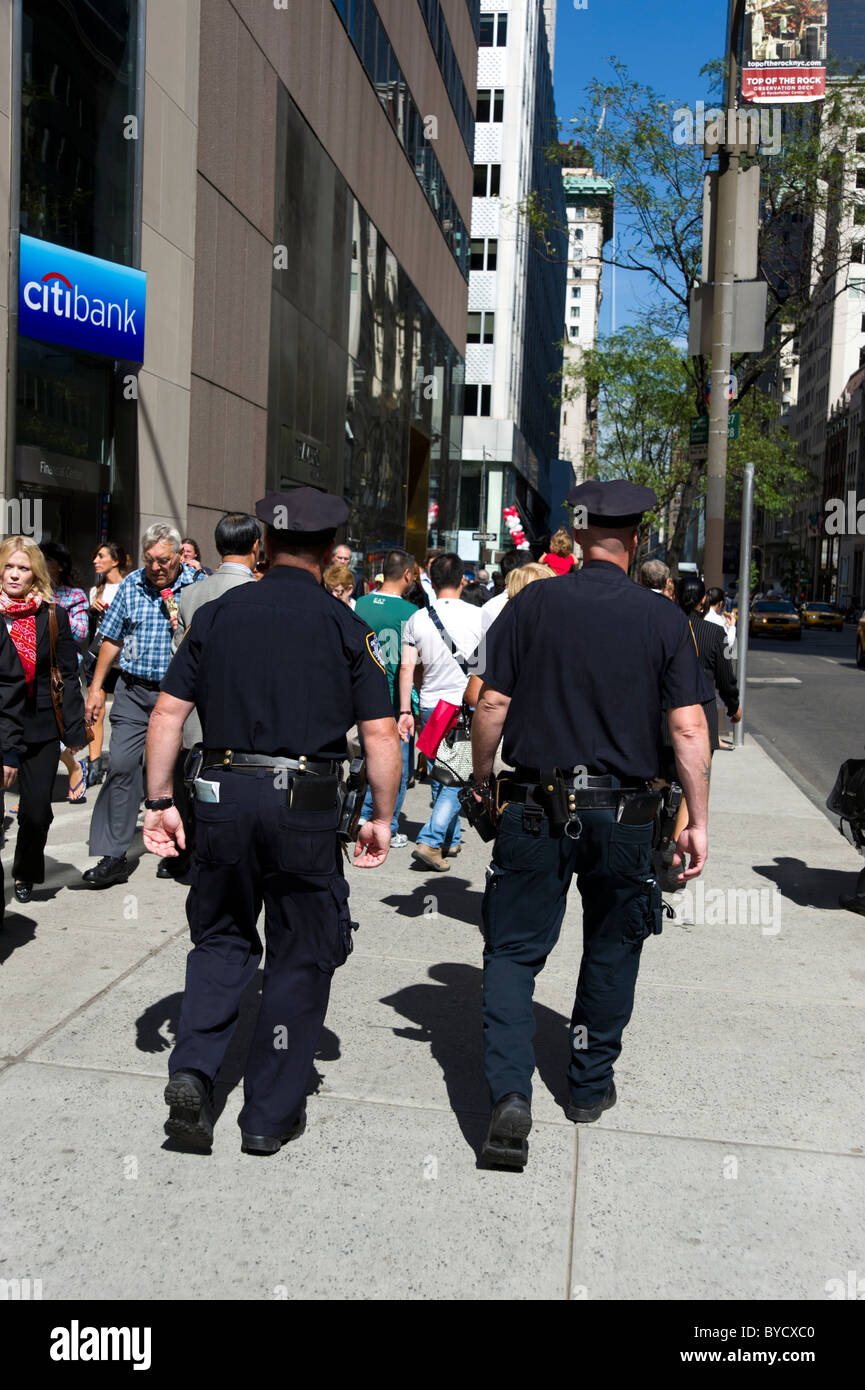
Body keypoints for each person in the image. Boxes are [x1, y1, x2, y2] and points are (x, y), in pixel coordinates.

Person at [143, 487, 400, 1154]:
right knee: (299, 954)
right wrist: (381, 814)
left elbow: (167, 714)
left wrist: (159, 803)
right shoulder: (345, 627)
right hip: (304, 807)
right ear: (329, 551)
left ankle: (195, 1073)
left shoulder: (222, 614)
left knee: (222, 939)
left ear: (262, 544)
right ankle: (266, 1116)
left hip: (222, 795)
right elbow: (379, 733)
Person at [469, 480, 712, 1168]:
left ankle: (510, 1096)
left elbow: (490, 706)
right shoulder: (664, 619)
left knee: (513, 953)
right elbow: (689, 727)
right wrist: (697, 818)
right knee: (611, 947)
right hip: (627, 813)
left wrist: (483, 780)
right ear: (634, 541)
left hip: (534, 806)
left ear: (574, 538)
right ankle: (586, 1085)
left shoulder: (532, 603)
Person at [81, 524, 205, 887]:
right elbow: (112, 638)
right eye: (150, 559)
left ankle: (177, 849)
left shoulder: (196, 586)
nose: (156, 567)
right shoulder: (132, 585)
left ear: (179, 554)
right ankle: (113, 855)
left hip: (179, 697)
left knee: (176, 774)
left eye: (163, 560)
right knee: (120, 766)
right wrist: (96, 688)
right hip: (134, 693)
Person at [163, 512, 262, 881]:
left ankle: (195, 859)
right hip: (242, 720)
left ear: (218, 546)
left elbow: (180, 658)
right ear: (256, 546)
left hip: (196, 718)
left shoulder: (191, 593)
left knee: (197, 792)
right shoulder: (259, 592)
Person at [0, 536, 87, 903]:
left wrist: (74, 727)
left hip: (41, 724)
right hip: (2, 723)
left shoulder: (52, 614)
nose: (15, 574)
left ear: (36, 574)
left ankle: (25, 871)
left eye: (23, 568)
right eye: (8, 566)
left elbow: (67, 673)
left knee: (36, 813)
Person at [397, 552, 484, 871]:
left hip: (429, 704)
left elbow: (407, 668)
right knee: (458, 775)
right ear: (463, 579)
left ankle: (451, 837)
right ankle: (432, 841)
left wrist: (406, 708)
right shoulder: (479, 617)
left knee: (440, 771)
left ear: (431, 581)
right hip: (462, 706)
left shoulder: (417, 618)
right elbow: (483, 668)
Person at [355, 549, 417, 847]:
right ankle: (387, 823)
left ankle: (361, 816)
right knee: (397, 765)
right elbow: (410, 663)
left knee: (365, 760)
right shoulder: (410, 613)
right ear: (407, 574)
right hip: (392, 698)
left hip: (358, 694)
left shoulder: (361, 604)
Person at [41, 541, 90, 805]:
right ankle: (34, 790)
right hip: (31, 672)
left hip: (60, 677)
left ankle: (74, 767)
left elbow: (81, 632)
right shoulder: (26, 592)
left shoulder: (73, 596)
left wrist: (50, 615)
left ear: (59, 565)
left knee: (55, 732)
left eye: (46, 559)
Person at [84, 540, 130, 787]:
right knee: (95, 712)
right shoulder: (96, 591)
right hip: (99, 660)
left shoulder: (129, 587)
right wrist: (92, 610)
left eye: (101, 556)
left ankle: (122, 762)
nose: (95, 561)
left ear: (116, 560)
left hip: (122, 663)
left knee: (121, 714)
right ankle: (94, 764)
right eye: (95, 556)